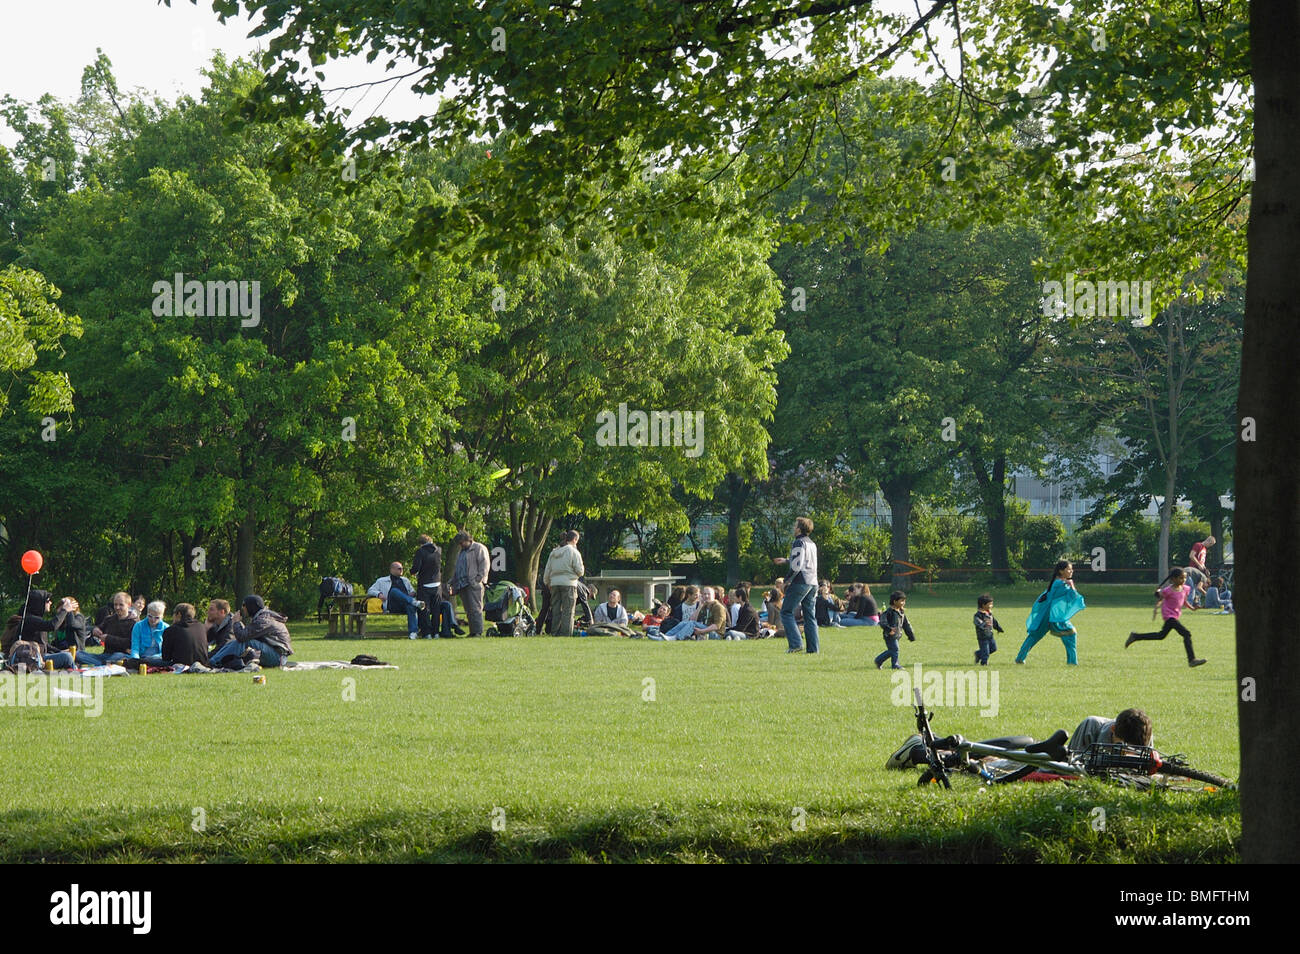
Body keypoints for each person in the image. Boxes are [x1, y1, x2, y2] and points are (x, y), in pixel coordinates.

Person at [1126, 568, 1207, 667]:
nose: (1183, 580)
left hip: (1175, 616)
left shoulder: (1185, 588)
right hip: (1169, 616)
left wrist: (1193, 608)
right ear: (1173, 579)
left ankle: (1135, 636)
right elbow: (1159, 597)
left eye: (1184, 578)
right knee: (1187, 634)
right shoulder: (1168, 590)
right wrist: (1156, 605)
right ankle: (1192, 660)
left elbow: (1184, 601)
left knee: (1161, 636)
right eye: (1181, 578)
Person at [1014, 560, 1085, 665]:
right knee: (1071, 634)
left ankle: (1020, 658)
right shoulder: (1060, 583)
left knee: (1034, 636)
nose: (1071, 571)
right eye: (1068, 569)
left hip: (1047, 615)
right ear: (1061, 571)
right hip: (1053, 617)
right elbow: (1074, 597)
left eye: (1071, 569)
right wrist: (1072, 585)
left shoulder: (1058, 582)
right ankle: (1072, 662)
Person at [208, 595, 294, 668]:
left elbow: (242, 637)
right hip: (275, 654)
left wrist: (236, 622)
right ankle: (213, 660)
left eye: (244, 605)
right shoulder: (262, 617)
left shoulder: (263, 620)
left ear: (251, 606)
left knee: (243, 642)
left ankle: (212, 662)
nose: (243, 608)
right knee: (239, 642)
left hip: (278, 657)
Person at [775, 516, 820, 654]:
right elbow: (803, 560)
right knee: (809, 616)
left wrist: (786, 581)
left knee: (786, 612)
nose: (793, 528)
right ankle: (813, 649)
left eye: (795, 526)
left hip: (801, 582)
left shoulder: (798, 542)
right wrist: (786, 560)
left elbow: (797, 565)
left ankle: (795, 644)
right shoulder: (812, 543)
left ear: (799, 529)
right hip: (813, 582)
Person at [366, 562, 426, 640]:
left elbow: (413, 591)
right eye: (399, 568)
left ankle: (413, 633)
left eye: (402, 568)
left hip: (405, 604)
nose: (401, 570)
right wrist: (379, 594)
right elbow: (370, 590)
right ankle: (414, 602)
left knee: (411, 606)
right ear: (392, 570)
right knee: (394, 591)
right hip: (392, 605)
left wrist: (412, 593)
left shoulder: (405, 580)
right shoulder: (381, 580)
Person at [542, 530, 585, 637]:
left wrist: (547, 582)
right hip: (569, 583)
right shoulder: (574, 552)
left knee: (556, 610)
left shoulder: (553, 553)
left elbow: (548, 569)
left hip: (554, 583)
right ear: (574, 539)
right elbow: (580, 571)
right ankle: (566, 634)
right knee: (568, 611)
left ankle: (554, 632)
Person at [448, 531, 491, 637]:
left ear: (468, 540)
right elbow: (458, 568)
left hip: (473, 584)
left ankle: (478, 632)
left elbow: (484, 565)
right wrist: (452, 581)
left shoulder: (479, 548)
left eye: (462, 542)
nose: (460, 545)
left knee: (475, 609)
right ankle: (473, 631)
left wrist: (478, 579)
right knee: (468, 610)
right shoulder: (461, 552)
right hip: (462, 585)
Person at [412, 534, 453, 638]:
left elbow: (416, 568)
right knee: (436, 610)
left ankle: (427, 633)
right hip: (437, 584)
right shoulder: (438, 550)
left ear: (421, 544)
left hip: (425, 584)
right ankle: (436, 632)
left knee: (424, 609)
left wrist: (412, 572)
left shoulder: (420, 552)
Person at [1068, 708, 1154, 754]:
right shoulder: (1091, 727)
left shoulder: (1144, 733)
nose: (1128, 753)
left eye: (1135, 749)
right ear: (1113, 729)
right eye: (1123, 748)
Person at [874, 590, 915, 670]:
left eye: (904, 601)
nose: (903, 603)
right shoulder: (889, 612)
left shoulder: (901, 612)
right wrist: (889, 630)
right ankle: (895, 665)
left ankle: (878, 660)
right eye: (902, 601)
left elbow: (906, 625)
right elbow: (882, 622)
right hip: (889, 635)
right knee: (895, 649)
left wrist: (911, 635)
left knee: (892, 650)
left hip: (897, 635)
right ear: (895, 601)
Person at [162, 603, 211, 667]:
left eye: (174, 614)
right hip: (203, 664)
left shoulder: (171, 630)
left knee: (147, 660)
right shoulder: (201, 627)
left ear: (179, 614)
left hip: (180, 664)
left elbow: (166, 657)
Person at [91, 592, 136, 656]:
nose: (117, 607)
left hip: (122, 655)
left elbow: (130, 642)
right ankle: (103, 663)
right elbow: (99, 627)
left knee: (117, 656)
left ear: (129, 605)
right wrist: (95, 630)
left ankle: (104, 663)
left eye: (121, 605)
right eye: (115, 604)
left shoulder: (134, 623)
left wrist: (109, 638)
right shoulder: (109, 619)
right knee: (79, 654)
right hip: (106, 654)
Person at [974, 594, 1004, 666]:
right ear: (983, 605)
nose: (991, 606)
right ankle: (984, 663)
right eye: (990, 604)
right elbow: (978, 623)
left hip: (990, 635)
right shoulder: (978, 615)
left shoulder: (989, 613)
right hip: (982, 637)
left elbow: (993, 621)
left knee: (993, 648)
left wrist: (998, 628)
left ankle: (978, 654)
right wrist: (984, 624)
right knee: (986, 652)